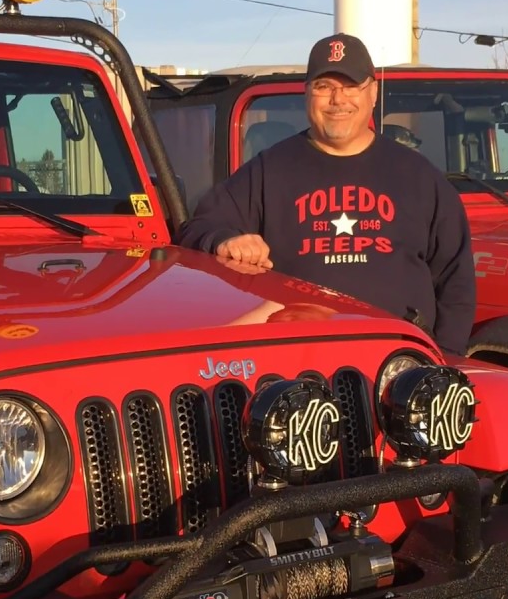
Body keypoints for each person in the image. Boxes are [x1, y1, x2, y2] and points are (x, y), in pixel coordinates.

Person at [176, 32, 477, 356]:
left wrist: (445, 358)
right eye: (324, 87)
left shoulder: (420, 176)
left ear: (372, 92)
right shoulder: (268, 170)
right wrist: (224, 240)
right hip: (299, 365)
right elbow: (195, 229)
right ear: (307, 94)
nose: (338, 99)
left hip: (400, 364)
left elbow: (455, 281)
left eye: (350, 86)